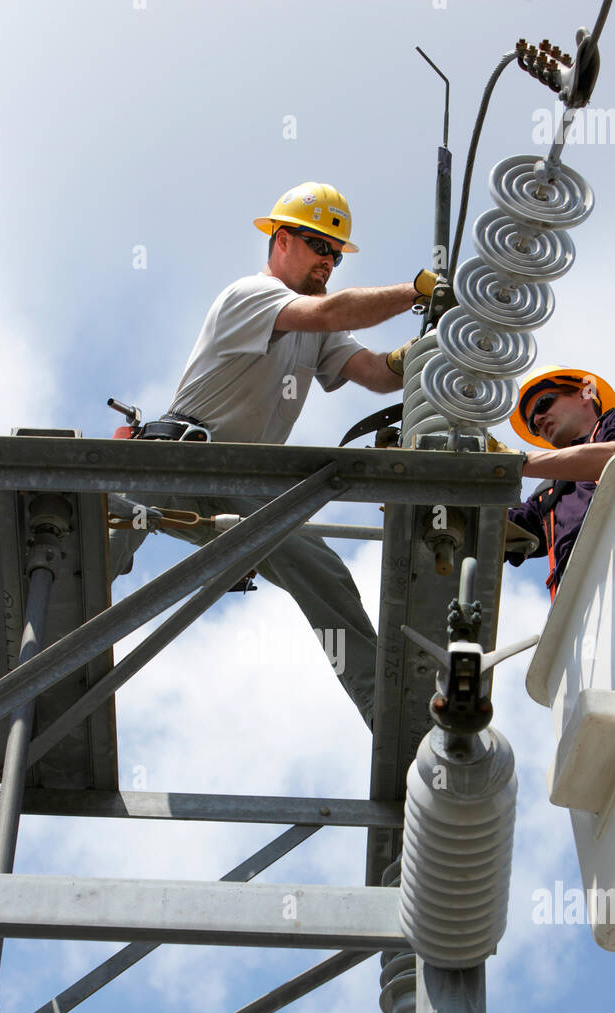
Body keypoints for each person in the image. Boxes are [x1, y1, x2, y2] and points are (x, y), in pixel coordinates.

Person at [109, 181, 438, 728]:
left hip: (243, 486)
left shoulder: (315, 330)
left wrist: (419, 352)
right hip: (172, 460)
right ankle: (42, 650)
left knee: (324, 574)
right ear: (282, 240)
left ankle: (389, 716)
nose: (330, 262)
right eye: (320, 246)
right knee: (95, 554)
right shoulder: (251, 296)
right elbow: (330, 313)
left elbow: (377, 376)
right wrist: (416, 291)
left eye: (337, 254)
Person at [504, 365, 615, 601]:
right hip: (579, 606)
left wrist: (516, 464)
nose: (539, 420)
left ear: (586, 392)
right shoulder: (547, 494)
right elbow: (497, 530)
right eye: (533, 424)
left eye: (543, 404)